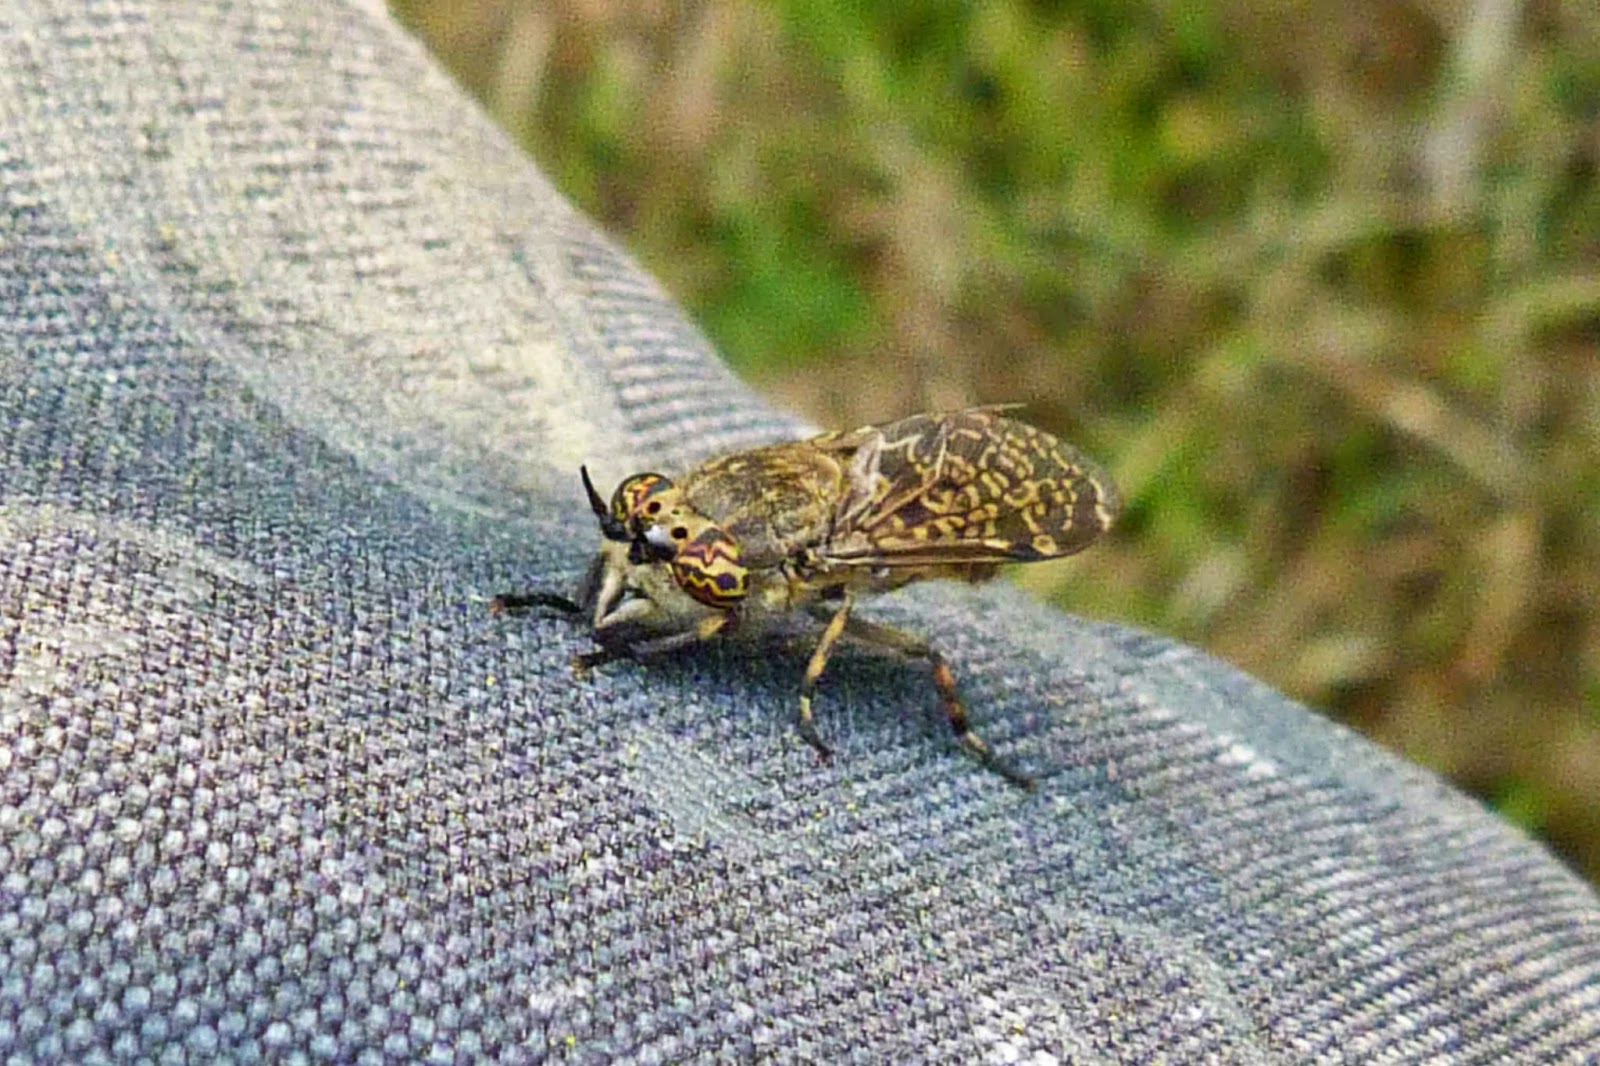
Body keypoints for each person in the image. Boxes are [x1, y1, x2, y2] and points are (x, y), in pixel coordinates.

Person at [2, 1, 1596, 1060]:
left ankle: (949, 729)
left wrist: (808, 680)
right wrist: (624, 579)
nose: (656, 552)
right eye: (653, 537)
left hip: (869, 517)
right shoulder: (695, 516)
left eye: (677, 561)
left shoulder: (793, 581)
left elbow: (794, 588)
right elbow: (693, 528)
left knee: (882, 641)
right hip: (821, 478)